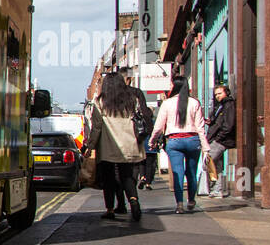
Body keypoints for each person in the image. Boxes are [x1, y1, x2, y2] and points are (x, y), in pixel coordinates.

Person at [85, 72, 144, 221]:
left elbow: (96, 127)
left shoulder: (101, 102)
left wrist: (90, 146)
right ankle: (134, 201)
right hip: (128, 144)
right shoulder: (132, 99)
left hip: (108, 146)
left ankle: (110, 209)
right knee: (127, 176)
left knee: (109, 179)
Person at [150, 75, 211, 213]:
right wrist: (205, 147)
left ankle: (179, 205)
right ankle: (191, 200)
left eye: (171, 85)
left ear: (175, 86)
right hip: (193, 140)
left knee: (177, 172)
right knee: (191, 172)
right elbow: (200, 127)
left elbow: (159, 127)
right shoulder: (195, 103)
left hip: (174, 141)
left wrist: (152, 141)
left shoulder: (167, 103)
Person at [205, 82, 236, 198]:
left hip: (221, 140)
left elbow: (228, 124)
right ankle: (217, 189)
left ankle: (216, 188)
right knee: (216, 165)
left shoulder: (229, 105)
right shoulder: (221, 105)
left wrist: (218, 138)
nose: (218, 96)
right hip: (218, 139)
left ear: (226, 92)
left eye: (220, 93)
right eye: (216, 94)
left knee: (208, 162)